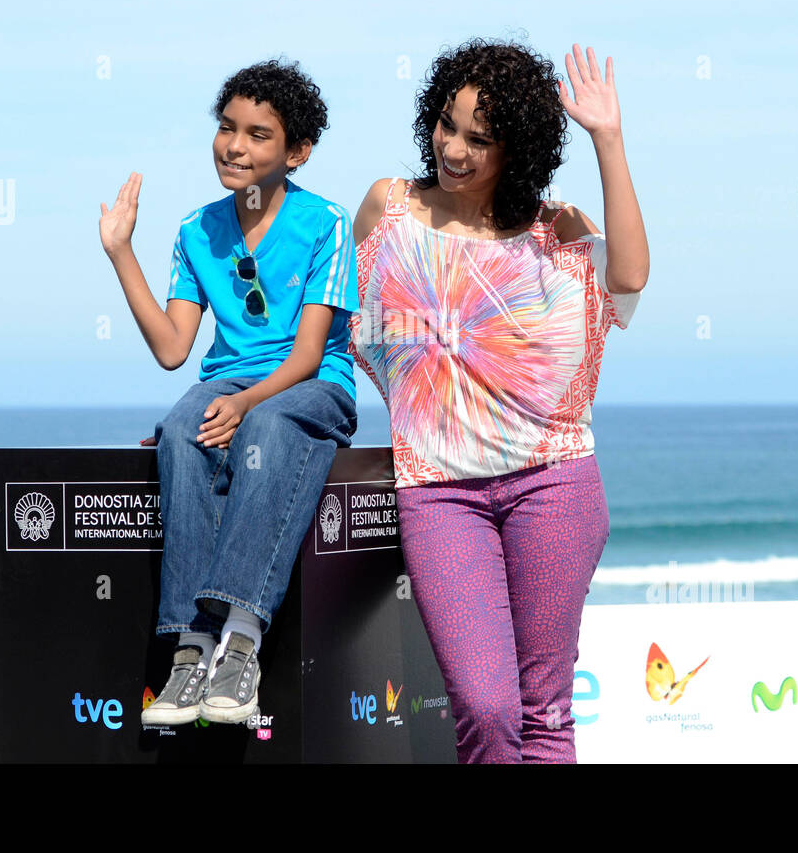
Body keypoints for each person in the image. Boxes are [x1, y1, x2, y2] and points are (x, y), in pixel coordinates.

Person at [350, 39, 649, 762]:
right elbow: (337, 323)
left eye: (478, 140)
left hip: (555, 485)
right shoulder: (387, 209)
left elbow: (630, 279)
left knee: (544, 714)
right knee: (485, 707)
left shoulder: (558, 231)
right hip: (440, 493)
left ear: (517, 150)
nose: (452, 149)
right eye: (446, 126)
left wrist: (607, 138)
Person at [99, 59, 357, 725]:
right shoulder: (195, 231)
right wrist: (121, 251)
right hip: (230, 381)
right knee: (181, 427)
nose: (235, 145)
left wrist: (246, 404)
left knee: (268, 430)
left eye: (258, 134)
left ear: (295, 152)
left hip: (311, 386)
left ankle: (241, 642)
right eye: (226, 128)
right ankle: (190, 653)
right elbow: (172, 349)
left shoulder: (325, 222)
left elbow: (308, 354)